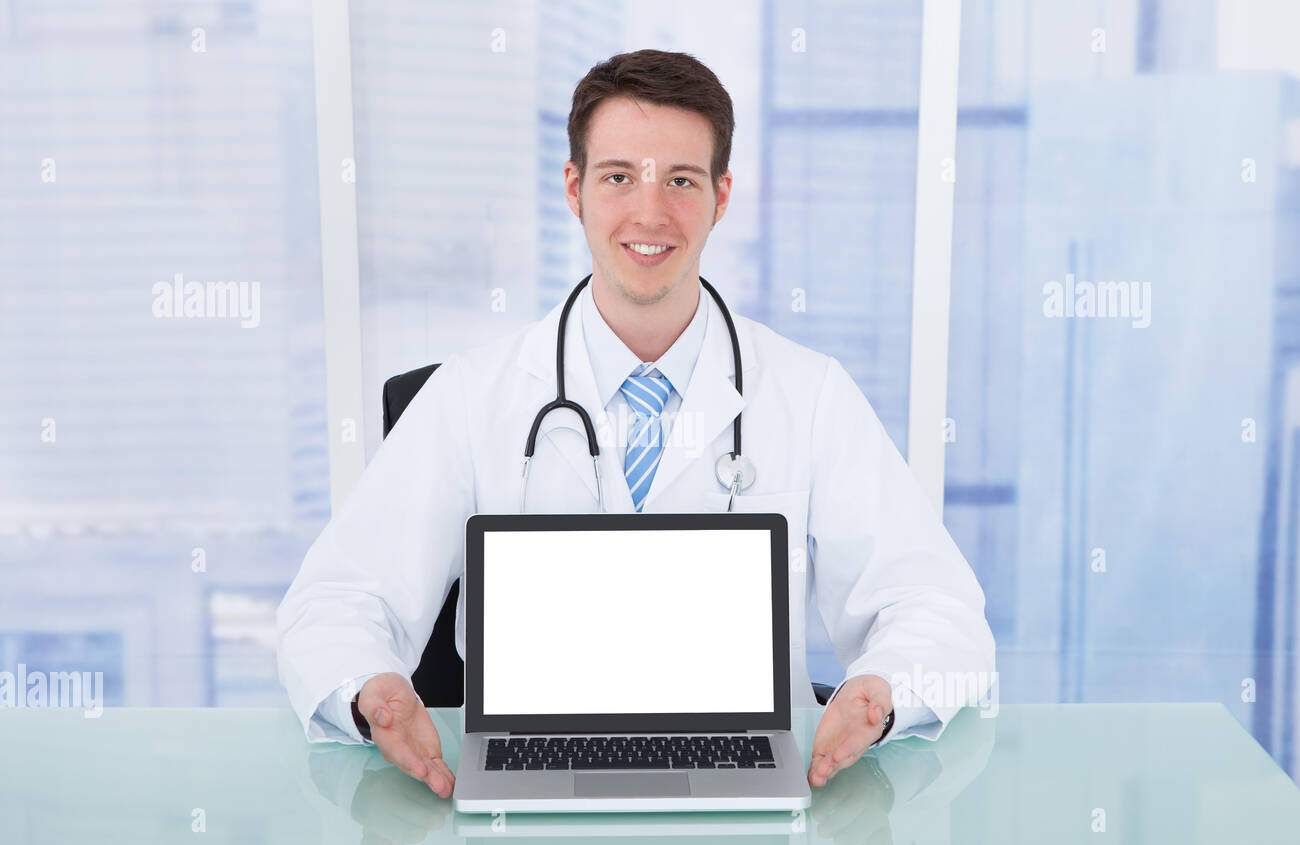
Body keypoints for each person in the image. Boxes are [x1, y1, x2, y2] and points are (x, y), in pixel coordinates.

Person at [276, 49, 996, 801]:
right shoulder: (469, 396)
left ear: (721, 197)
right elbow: (337, 599)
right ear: (574, 189)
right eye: (618, 176)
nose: (649, 214)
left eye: (680, 181)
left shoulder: (809, 394)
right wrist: (370, 686)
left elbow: (933, 602)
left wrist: (882, 691)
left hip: (745, 793)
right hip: (522, 791)